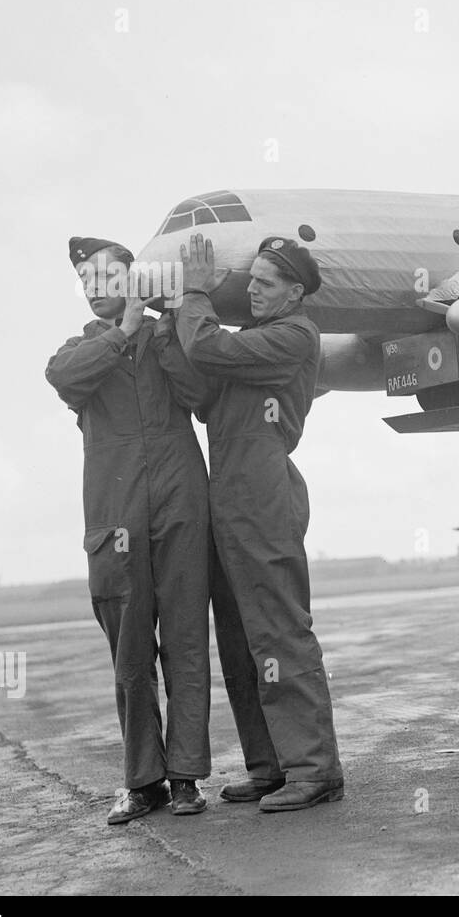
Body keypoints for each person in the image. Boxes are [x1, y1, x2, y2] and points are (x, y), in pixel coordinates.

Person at [46, 237, 212, 823]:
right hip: (115, 512)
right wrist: (124, 331)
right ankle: (144, 782)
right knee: (130, 648)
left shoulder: (168, 337)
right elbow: (64, 379)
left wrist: (159, 330)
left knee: (188, 637)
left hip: (180, 498)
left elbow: (200, 395)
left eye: (107, 278)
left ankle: (187, 776)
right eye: (86, 281)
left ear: (133, 280)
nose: (95, 288)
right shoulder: (82, 350)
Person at [175, 233, 344, 812]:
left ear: (295, 292)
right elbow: (200, 385)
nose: (251, 289)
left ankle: (315, 770)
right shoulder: (251, 340)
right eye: (249, 280)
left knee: (277, 631)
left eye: (264, 283)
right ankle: (270, 765)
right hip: (229, 495)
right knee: (242, 639)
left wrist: (194, 292)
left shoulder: (294, 335)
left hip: (263, 494)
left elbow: (205, 351)